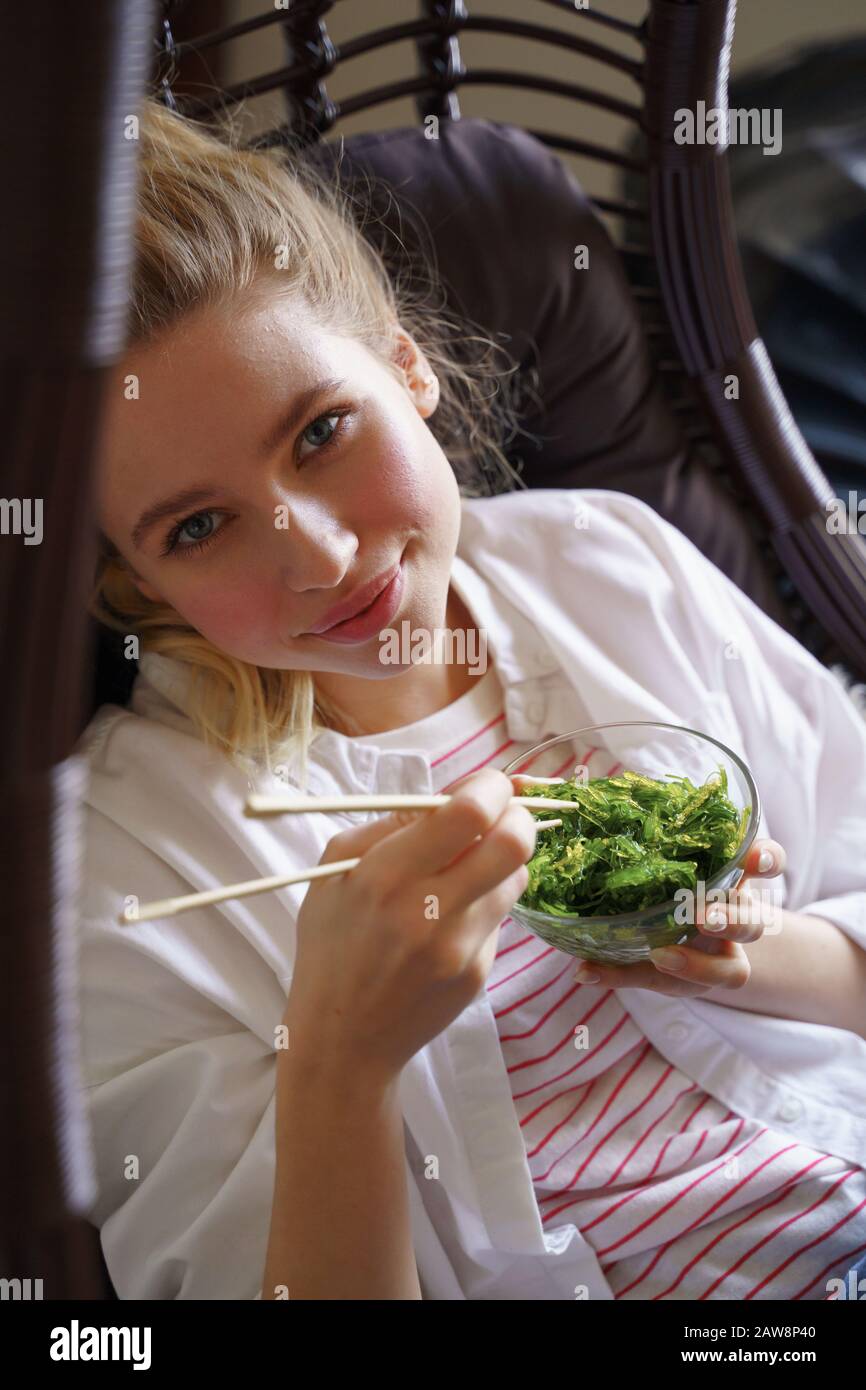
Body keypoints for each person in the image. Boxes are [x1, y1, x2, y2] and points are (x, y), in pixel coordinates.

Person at [78, 95, 866, 1300]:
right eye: (197, 525)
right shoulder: (126, 867)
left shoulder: (610, 563)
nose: (322, 557)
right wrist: (339, 1059)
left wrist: (732, 953)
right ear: (138, 579)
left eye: (322, 431)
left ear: (405, 363)